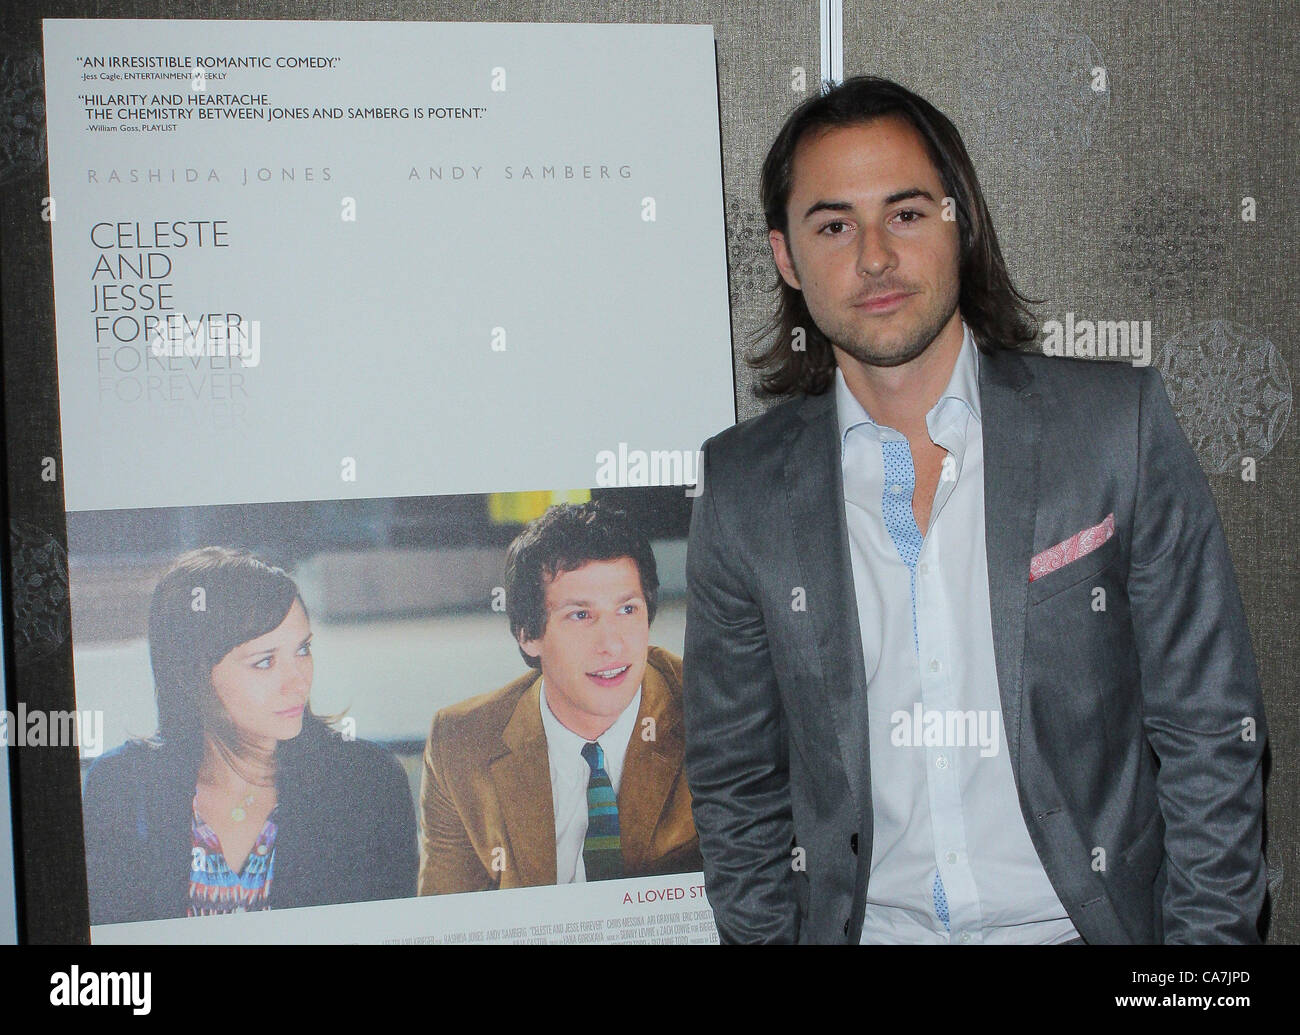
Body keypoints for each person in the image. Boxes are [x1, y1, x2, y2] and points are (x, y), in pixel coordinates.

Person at [682, 76, 1267, 945]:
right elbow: (737, 782)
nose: (875, 255)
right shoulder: (741, 489)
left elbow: (1212, 732)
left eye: (907, 214)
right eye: (835, 224)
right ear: (787, 258)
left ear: (962, 222)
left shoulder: (1115, 430)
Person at [82, 547, 417, 924]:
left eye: (302, 650)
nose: (298, 681)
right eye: (264, 661)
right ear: (192, 674)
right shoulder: (121, 788)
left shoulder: (368, 783)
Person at [419, 501, 700, 894]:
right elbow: (446, 923)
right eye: (580, 615)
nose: (612, 644)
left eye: (626, 609)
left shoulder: (711, 715)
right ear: (528, 635)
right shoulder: (461, 744)